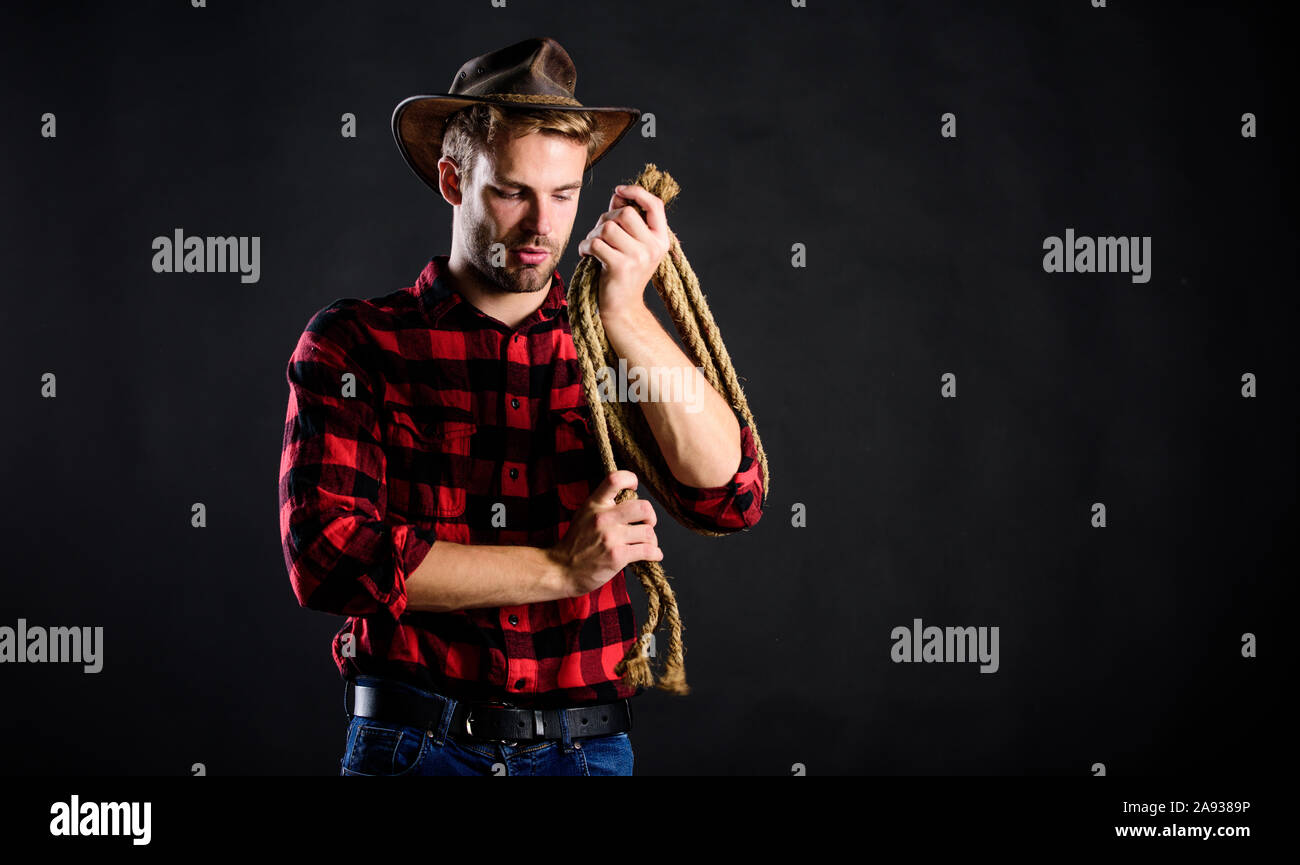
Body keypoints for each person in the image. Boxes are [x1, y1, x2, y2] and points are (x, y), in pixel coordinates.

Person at [278, 36, 765, 776]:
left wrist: (628, 316)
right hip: (414, 746)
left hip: (588, 750)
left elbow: (730, 496)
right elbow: (330, 557)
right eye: (513, 191)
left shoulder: (609, 346)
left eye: (565, 194)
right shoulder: (356, 342)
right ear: (452, 180)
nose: (542, 225)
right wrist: (559, 569)